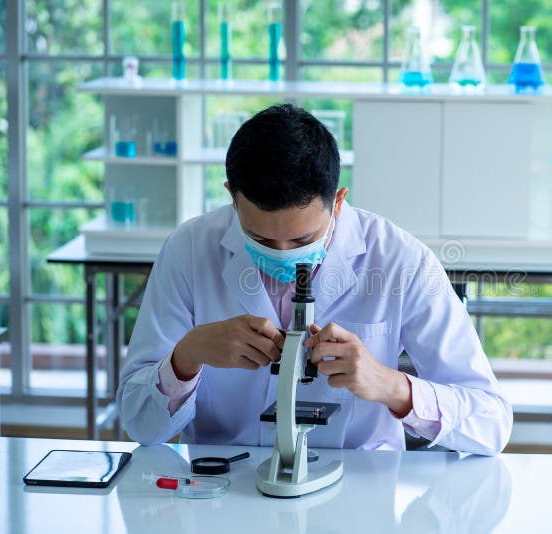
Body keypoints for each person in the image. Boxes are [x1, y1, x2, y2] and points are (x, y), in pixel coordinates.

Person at [117, 104, 512, 455]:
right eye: (260, 238)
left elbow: (491, 423)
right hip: (221, 486)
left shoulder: (398, 259)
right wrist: (186, 357)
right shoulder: (189, 250)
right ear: (232, 198)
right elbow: (141, 425)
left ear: (338, 201)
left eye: (303, 239)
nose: (283, 252)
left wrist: (391, 386)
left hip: (358, 492)